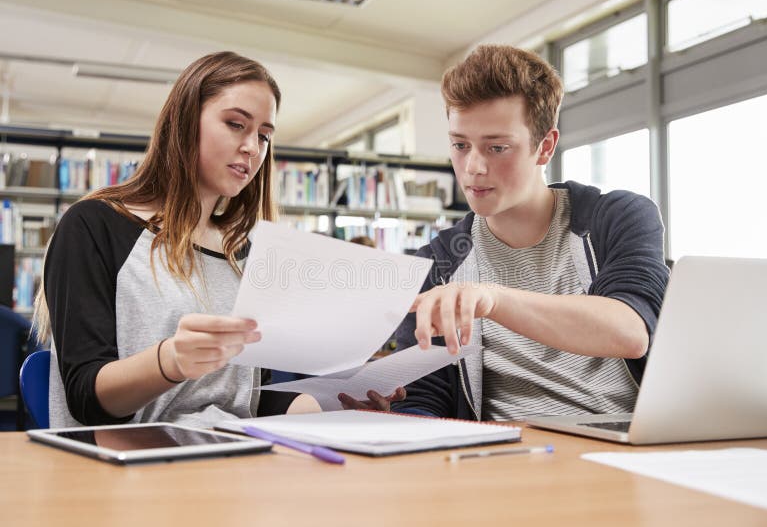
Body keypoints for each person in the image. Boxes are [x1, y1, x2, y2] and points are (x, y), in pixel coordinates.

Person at [339, 44, 669, 420]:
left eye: (497, 147)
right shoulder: (438, 264)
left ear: (545, 147)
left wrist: (492, 299)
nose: (473, 167)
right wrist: (395, 412)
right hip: (500, 456)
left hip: (618, 445)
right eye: (460, 145)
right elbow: (429, 399)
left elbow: (630, 331)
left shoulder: (617, 217)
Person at [34, 51, 319, 429]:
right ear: (184, 123)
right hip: (125, 466)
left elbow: (241, 399)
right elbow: (87, 398)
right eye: (236, 124)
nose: (253, 147)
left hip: (230, 459)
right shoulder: (94, 225)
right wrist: (169, 361)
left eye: (264, 135)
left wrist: (335, 403)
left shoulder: (244, 254)